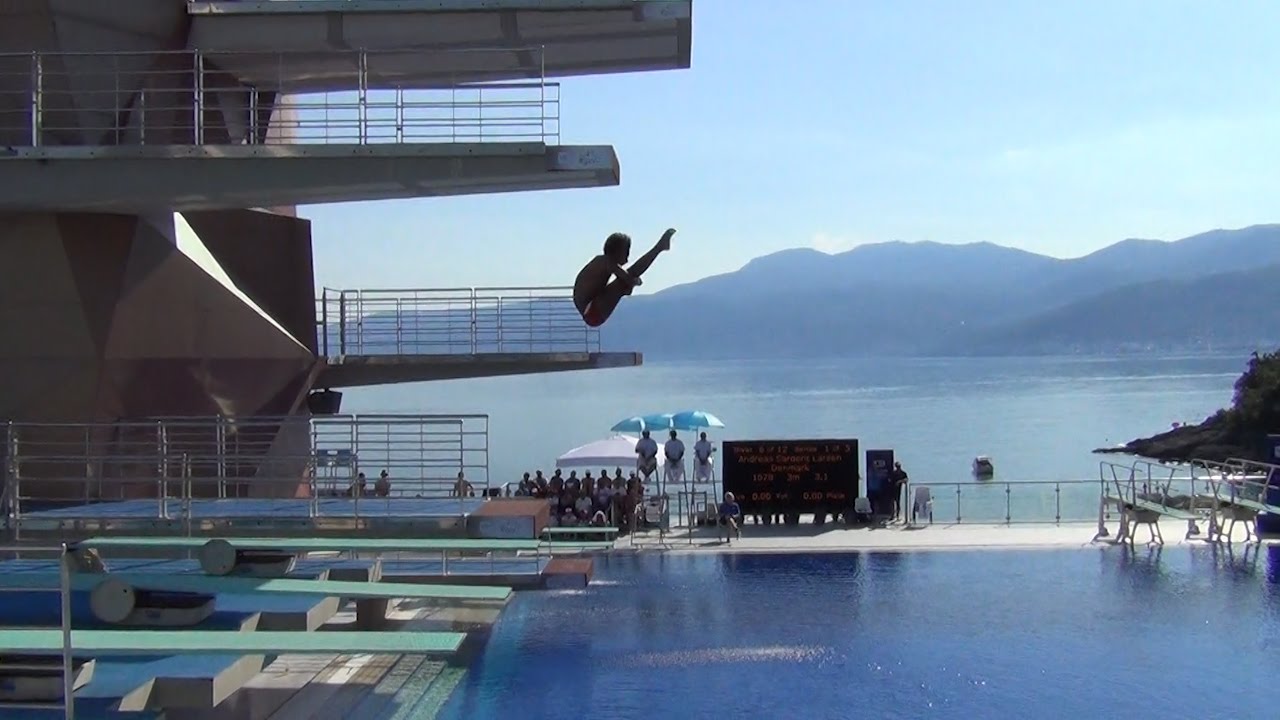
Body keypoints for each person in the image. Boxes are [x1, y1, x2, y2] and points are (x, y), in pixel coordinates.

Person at [573, 228, 675, 327]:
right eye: (626, 253)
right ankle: (659, 247)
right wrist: (635, 282)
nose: (627, 259)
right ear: (617, 252)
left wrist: (630, 284)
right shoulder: (606, 261)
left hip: (592, 307)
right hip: (591, 312)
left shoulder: (601, 262)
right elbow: (628, 279)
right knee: (630, 274)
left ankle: (659, 247)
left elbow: (627, 286)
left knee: (624, 281)